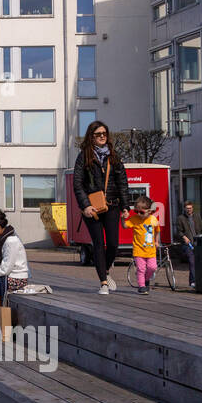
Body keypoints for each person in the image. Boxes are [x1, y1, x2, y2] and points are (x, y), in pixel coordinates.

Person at [73, 120, 131, 295]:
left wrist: (126, 206)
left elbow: (122, 182)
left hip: (112, 205)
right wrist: (85, 206)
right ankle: (103, 282)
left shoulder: (114, 156)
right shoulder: (84, 156)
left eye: (104, 134)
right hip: (93, 208)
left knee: (113, 244)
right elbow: (77, 184)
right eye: (98, 134)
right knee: (99, 244)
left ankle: (105, 270)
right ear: (91, 137)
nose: (102, 137)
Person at [122, 198, 159, 295]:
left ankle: (146, 279)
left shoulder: (153, 219)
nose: (138, 214)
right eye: (136, 211)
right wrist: (122, 218)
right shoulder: (134, 219)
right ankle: (142, 286)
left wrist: (157, 241)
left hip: (151, 250)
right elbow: (125, 226)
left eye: (141, 212)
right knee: (141, 268)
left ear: (149, 211)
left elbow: (157, 231)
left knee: (152, 267)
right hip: (138, 250)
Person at [175, 201, 202, 289]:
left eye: (190, 208)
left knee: (199, 262)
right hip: (188, 244)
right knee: (192, 262)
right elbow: (179, 231)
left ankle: (199, 280)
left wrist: (201, 237)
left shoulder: (197, 216)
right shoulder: (180, 218)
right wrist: (184, 237)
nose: (189, 210)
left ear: (192, 208)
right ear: (184, 209)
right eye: (187, 208)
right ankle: (193, 281)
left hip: (197, 242)